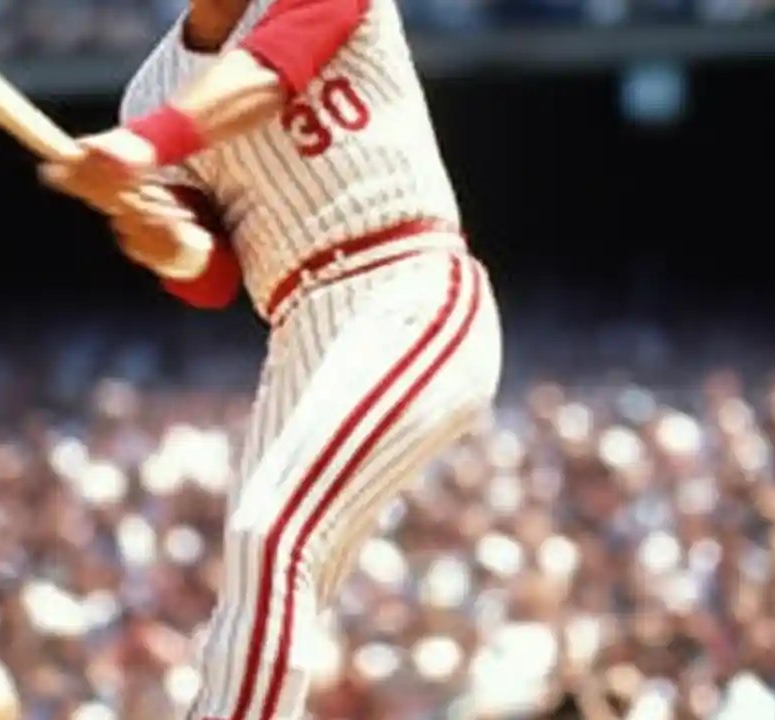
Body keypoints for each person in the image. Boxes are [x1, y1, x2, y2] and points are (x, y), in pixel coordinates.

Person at [40, 0, 503, 717]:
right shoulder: (149, 91)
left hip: (406, 282)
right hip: (297, 331)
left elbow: (266, 73)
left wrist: (144, 146)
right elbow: (211, 274)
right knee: (269, 573)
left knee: (272, 530)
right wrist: (156, 233)